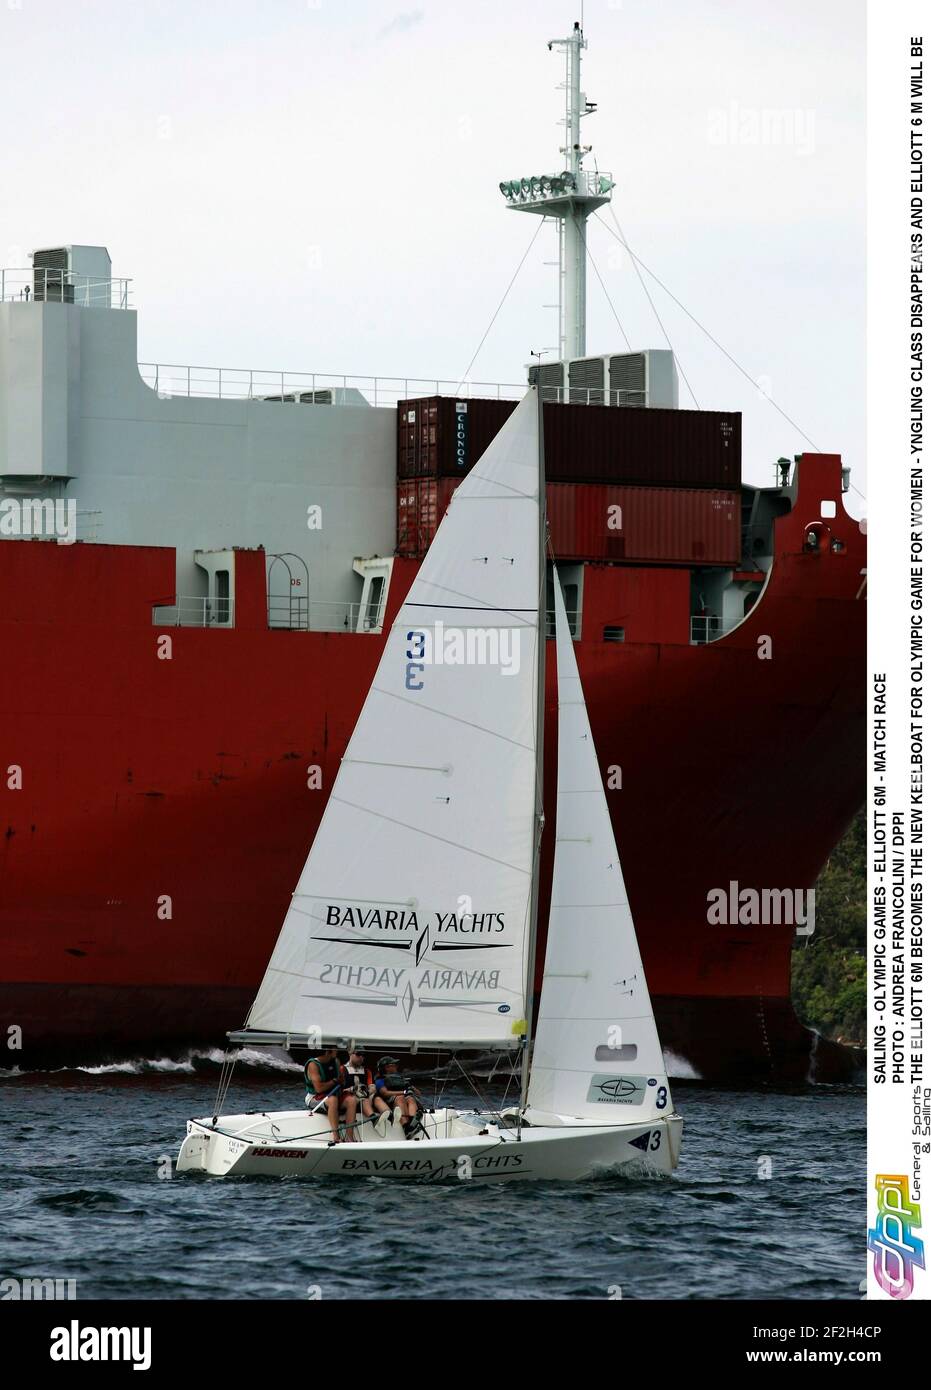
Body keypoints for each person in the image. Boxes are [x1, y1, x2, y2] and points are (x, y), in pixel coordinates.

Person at [304, 1044, 343, 1144]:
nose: (337, 1050)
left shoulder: (336, 1061)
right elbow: (319, 1088)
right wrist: (335, 1081)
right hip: (314, 1098)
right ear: (327, 1050)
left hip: (334, 1094)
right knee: (333, 1100)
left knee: (351, 1100)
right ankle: (336, 1137)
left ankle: (350, 1136)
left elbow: (341, 1081)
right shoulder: (313, 1065)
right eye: (335, 1049)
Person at [374, 1057, 422, 1138]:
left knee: (411, 1099)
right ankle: (405, 1127)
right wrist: (403, 1092)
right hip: (390, 1101)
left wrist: (412, 1089)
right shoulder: (380, 1080)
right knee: (400, 1098)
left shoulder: (400, 1078)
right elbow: (385, 1093)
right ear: (387, 1067)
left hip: (404, 1098)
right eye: (393, 1065)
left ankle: (412, 1124)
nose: (396, 1066)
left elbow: (418, 1094)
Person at [339, 1048, 376, 1139]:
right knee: (354, 1099)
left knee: (368, 1097)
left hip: (362, 1098)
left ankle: (375, 1118)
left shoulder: (367, 1071)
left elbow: (373, 1087)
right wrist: (352, 1089)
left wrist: (367, 1091)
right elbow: (338, 1090)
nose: (361, 1058)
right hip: (345, 1099)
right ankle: (349, 1137)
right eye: (358, 1054)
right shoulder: (342, 1069)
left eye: (363, 1055)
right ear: (350, 1054)